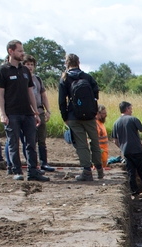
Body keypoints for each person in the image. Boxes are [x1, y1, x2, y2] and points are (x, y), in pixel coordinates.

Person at [0, 40, 48, 182]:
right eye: (19, 51)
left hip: (28, 113)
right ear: (11, 51)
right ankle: (16, 171)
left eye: (22, 50)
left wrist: (35, 112)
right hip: (12, 113)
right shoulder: (3, 70)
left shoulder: (25, 71)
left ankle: (33, 171)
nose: (22, 53)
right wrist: (2, 113)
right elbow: (0, 93)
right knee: (13, 142)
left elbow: (30, 92)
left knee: (31, 143)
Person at [58, 53, 102, 181]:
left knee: (81, 144)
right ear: (79, 62)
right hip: (89, 115)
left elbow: (62, 101)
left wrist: (65, 116)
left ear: (66, 63)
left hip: (73, 116)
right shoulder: (87, 77)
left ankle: (87, 171)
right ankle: (99, 169)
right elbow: (95, 94)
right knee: (94, 141)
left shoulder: (65, 79)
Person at [112, 101, 142, 199]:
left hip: (126, 152)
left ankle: (134, 193)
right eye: (130, 108)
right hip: (137, 150)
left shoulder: (116, 123)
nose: (131, 110)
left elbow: (115, 141)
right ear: (127, 109)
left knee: (131, 173)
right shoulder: (133, 119)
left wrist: (122, 147)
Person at [23, 56, 55, 173]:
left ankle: (44, 162)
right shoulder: (22, 79)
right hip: (28, 113)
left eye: (32, 64)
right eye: (27, 64)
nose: (30, 67)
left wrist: (48, 110)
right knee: (30, 140)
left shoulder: (38, 79)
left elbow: (44, 96)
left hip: (40, 111)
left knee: (42, 139)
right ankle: (31, 164)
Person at [95, 105, 110, 171]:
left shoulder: (100, 123)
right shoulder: (95, 124)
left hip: (104, 152)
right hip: (99, 153)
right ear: (98, 113)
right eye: (104, 113)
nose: (105, 115)